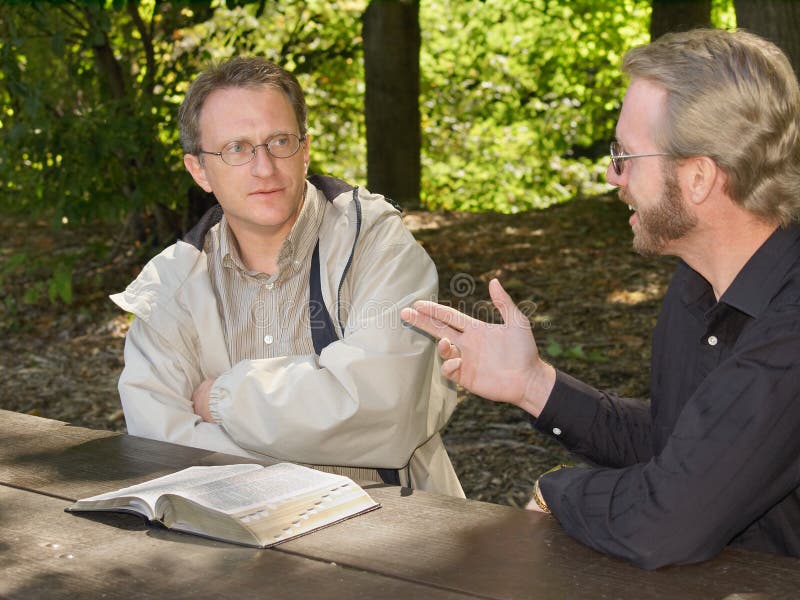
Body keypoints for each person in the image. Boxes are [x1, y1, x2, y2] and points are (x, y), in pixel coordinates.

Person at [402, 28, 800, 568]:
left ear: (699, 177)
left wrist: (558, 492)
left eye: (626, 154)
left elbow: (669, 520)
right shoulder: (697, 284)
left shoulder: (789, 323)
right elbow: (686, 447)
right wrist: (533, 384)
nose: (613, 175)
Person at [111, 56, 463, 497]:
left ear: (305, 150)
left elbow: (386, 409)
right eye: (236, 148)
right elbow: (161, 447)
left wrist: (222, 399)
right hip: (227, 521)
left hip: (392, 519)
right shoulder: (169, 286)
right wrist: (321, 412)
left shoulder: (377, 245)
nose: (264, 167)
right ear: (199, 170)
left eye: (279, 141)